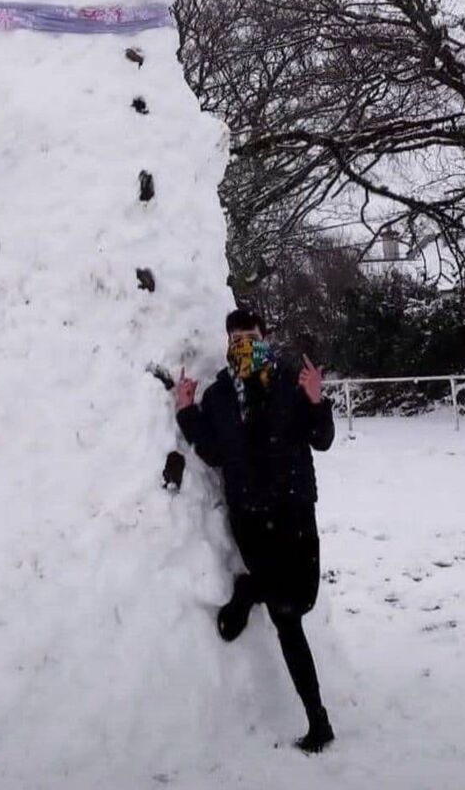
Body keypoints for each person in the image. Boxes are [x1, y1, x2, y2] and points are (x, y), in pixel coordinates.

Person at [175, 308, 335, 754]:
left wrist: (316, 400)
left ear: (265, 337)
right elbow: (213, 452)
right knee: (287, 618)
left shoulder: (289, 384)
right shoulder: (220, 396)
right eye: (235, 338)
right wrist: (186, 412)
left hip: (294, 510)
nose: (242, 343)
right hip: (249, 515)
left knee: (302, 598)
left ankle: (250, 590)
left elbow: (322, 439)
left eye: (250, 335)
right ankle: (318, 720)